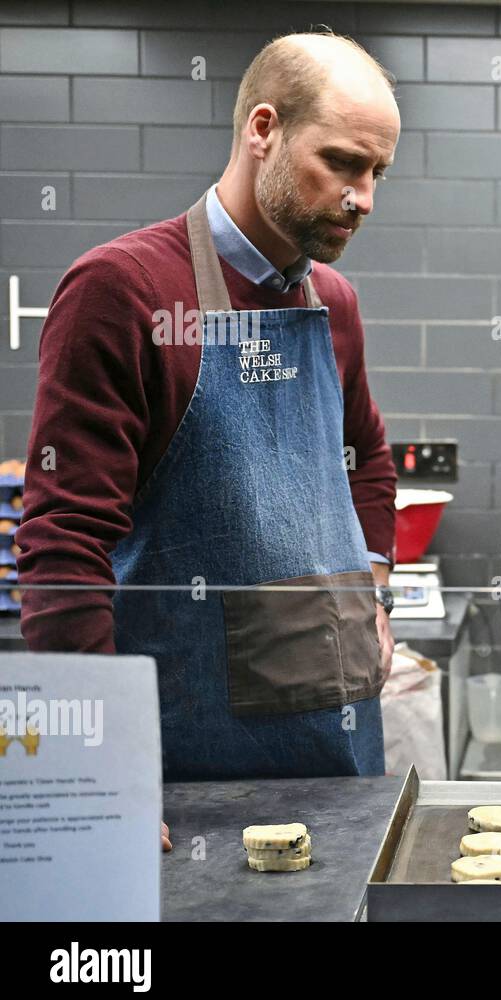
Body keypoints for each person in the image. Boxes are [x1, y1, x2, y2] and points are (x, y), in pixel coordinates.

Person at [16, 32, 402, 847]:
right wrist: (97, 775)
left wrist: (373, 586)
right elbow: (61, 544)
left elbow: (367, 458)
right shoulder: (120, 291)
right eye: (340, 162)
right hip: (195, 776)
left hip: (342, 752)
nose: (363, 198)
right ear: (263, 127)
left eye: (377, 173)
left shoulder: (334, 301)